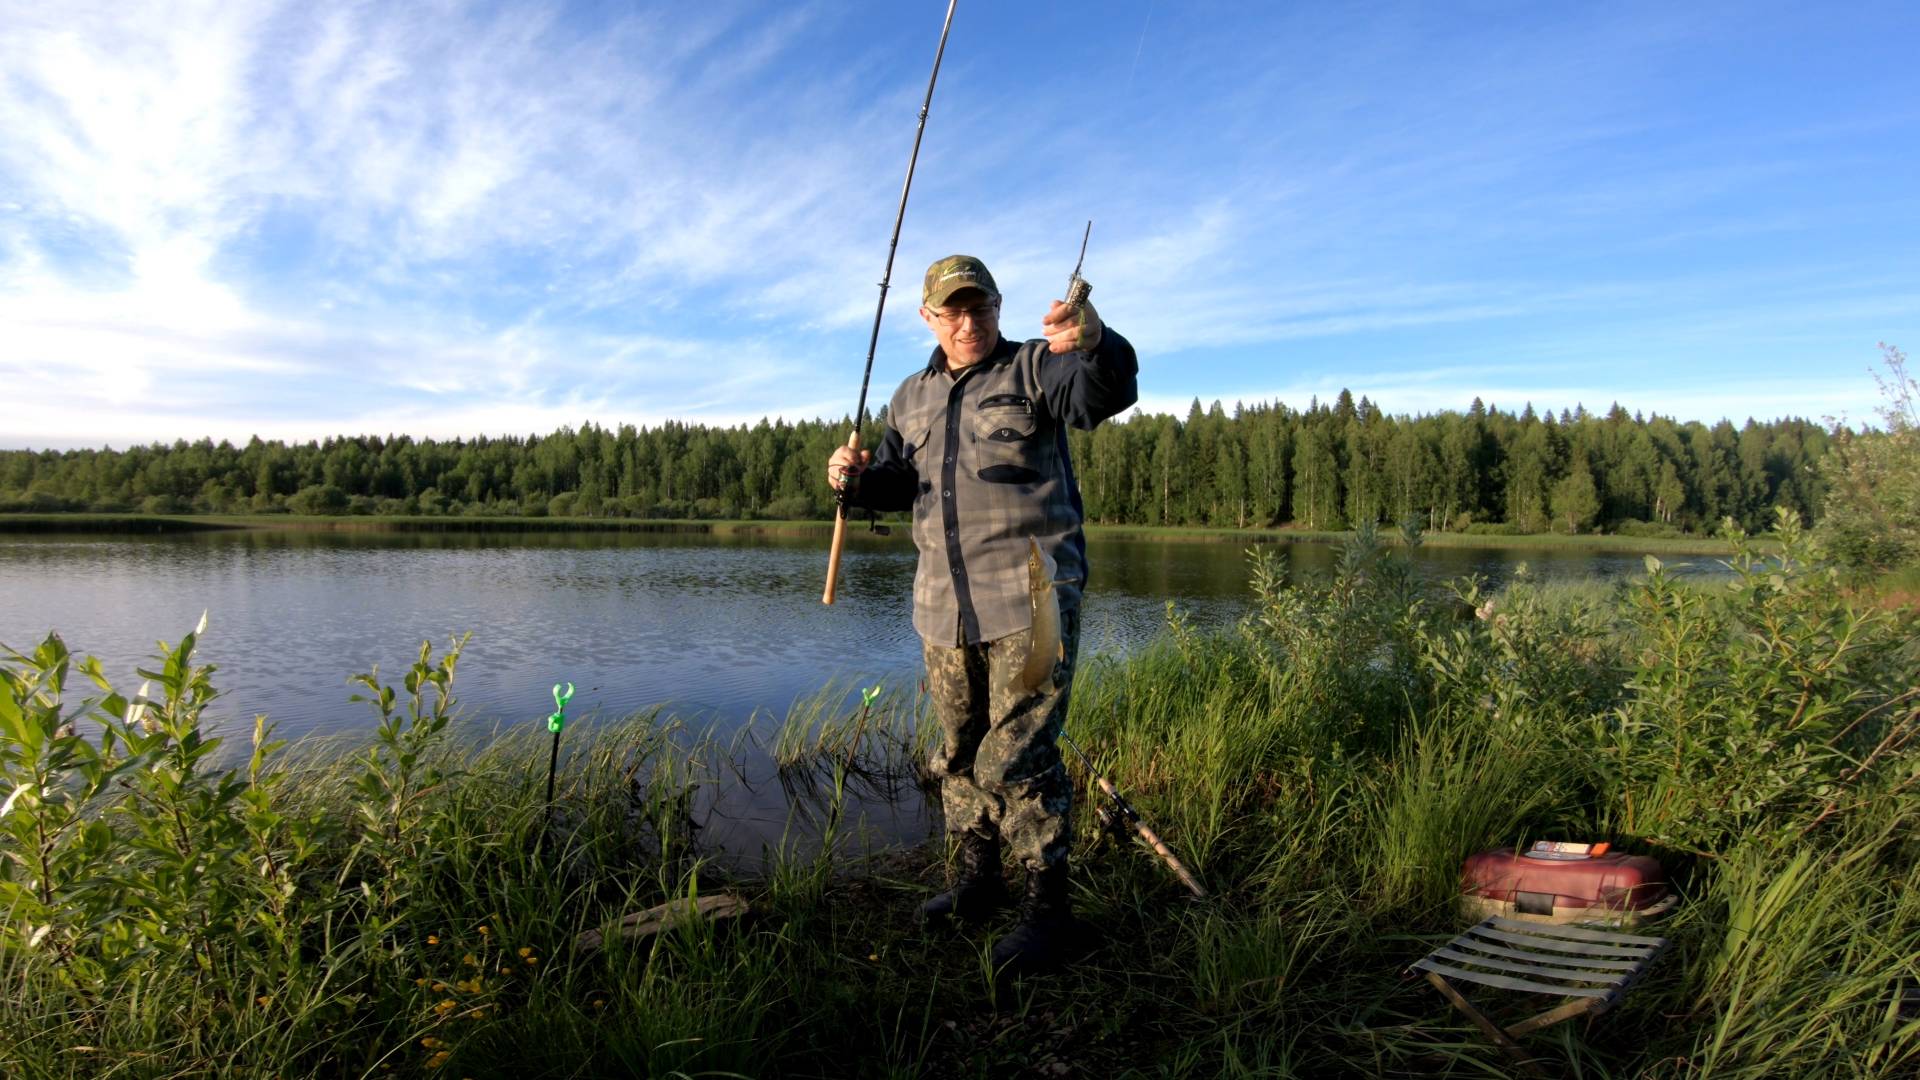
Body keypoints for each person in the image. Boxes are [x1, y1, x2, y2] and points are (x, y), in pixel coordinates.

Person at [826, 254, 1138, 976]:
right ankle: (977, 879)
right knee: (960, 751)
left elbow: (1102, 391)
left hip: (1033, 600)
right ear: (928, 317)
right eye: (953, 311)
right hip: (943, 605)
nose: (969, 323)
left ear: (998, 307)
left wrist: (1096, 341)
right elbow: (898, 483)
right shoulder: (911, 396)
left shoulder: (1039, 368)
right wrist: (853, 479)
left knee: (1018, 755)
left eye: (982, 308)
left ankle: (1049, 911)